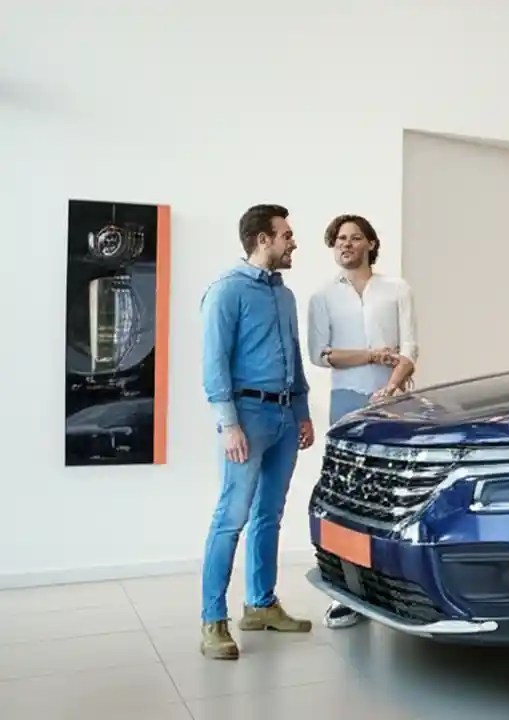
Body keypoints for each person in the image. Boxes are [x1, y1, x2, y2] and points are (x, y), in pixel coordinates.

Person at [199, 204, 316, 660]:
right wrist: (229, 425)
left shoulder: (284, 296)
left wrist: (302, 412)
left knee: (270, 515)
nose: (293, 242)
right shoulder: (226, 291)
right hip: (246, 417)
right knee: (231, 518)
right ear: (263, 239)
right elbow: (214, 363)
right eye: (286, 234)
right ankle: (213, 621)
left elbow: (295, 358)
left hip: (285, 416)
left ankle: (261, 605)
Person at [307, 213, 418, 629]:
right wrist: (372, 355)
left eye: (354, 238)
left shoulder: (396, 290)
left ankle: (397, 590)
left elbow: (410, 347)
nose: (345, 245)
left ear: (370, 244)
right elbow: (321, 354)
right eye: (338, 239)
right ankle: (348, 594)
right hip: (346, 403)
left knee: (393, 498)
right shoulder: (323, 297)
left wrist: (389, 387)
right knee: (348, 501)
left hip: (394, 400)